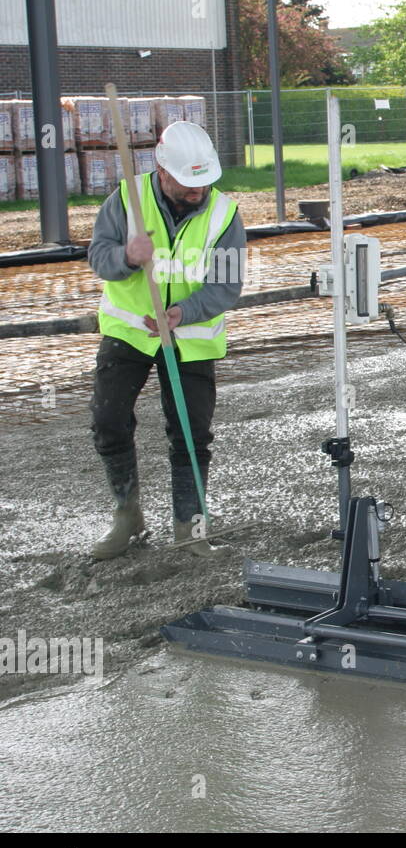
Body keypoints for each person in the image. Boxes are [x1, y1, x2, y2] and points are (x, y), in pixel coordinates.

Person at [87, 121, 245, 559]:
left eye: (204, 182)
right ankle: (127, 517)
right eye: (188, 183)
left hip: (190, 339)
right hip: (130, 333)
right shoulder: (126, 199)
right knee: (108, 421)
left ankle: (190, 529)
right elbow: (99, 256)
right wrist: (126, 257)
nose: (198, 191)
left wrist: (182, 313)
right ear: (162, 170)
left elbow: (227, 286)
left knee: (192, 435)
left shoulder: (224, 214)